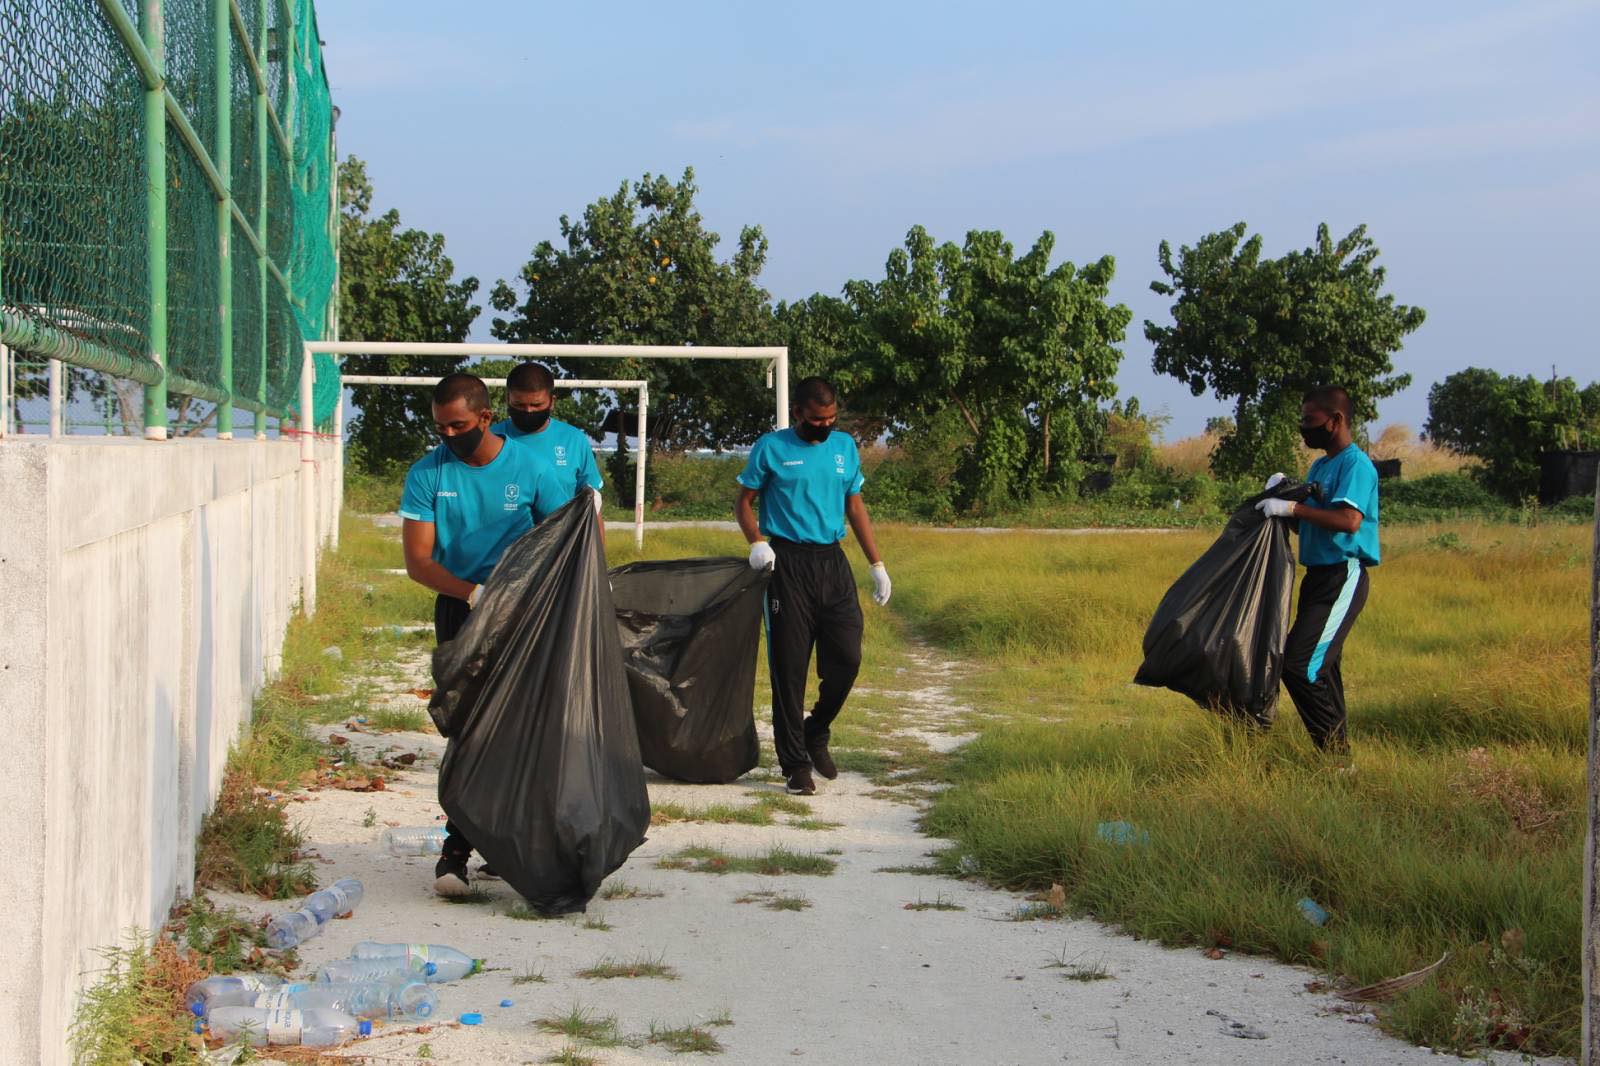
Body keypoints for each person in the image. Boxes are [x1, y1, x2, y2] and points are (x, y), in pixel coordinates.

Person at [398, 372, 569, 896]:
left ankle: (490, 846)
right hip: (461, 612)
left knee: (521, 729)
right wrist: (472, 592)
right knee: (468, 729)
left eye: (458, 425)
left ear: (486, 418)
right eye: (440, 427)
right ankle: (461, 849)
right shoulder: (427, 475)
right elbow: (418, 561)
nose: (448, 436)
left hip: (523, 614)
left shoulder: (533, 470)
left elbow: (565, 539)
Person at [734, 377, 891, 796]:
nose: (825, 425)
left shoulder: (843, 448)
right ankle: (795, 764)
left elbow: (853, 504)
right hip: (786, 563)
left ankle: (815, 729)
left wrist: (876, 563)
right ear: (799, 413)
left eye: (832, 418)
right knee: (789, 669)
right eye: (817, 419)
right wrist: (757, 543)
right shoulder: (772, 448)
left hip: (832, 562)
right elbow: (743, 502)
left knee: (848, 657)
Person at [1255, 385, 1380, 754]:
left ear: (1336, 420)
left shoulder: (1356, 464)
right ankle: (1340, 763)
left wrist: (1292, 509)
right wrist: (1283, 500)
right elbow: (1312, 524)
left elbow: (1348, 520)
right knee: (1323, 668)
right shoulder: (1321, 465)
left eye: (1311, 420)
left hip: (1343, 576)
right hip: (1318, 579)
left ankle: (1337, 758)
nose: (1304, 427)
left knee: (1298, 666)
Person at [491, 361, 605, 537]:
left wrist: (596, 561)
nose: (528, 411)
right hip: (501, 552)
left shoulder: (574, 440)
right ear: (508, 399)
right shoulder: (490, 439)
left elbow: (592, 506)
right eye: (519, 405)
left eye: (536, 405)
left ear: (552, 402)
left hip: (559, 548)